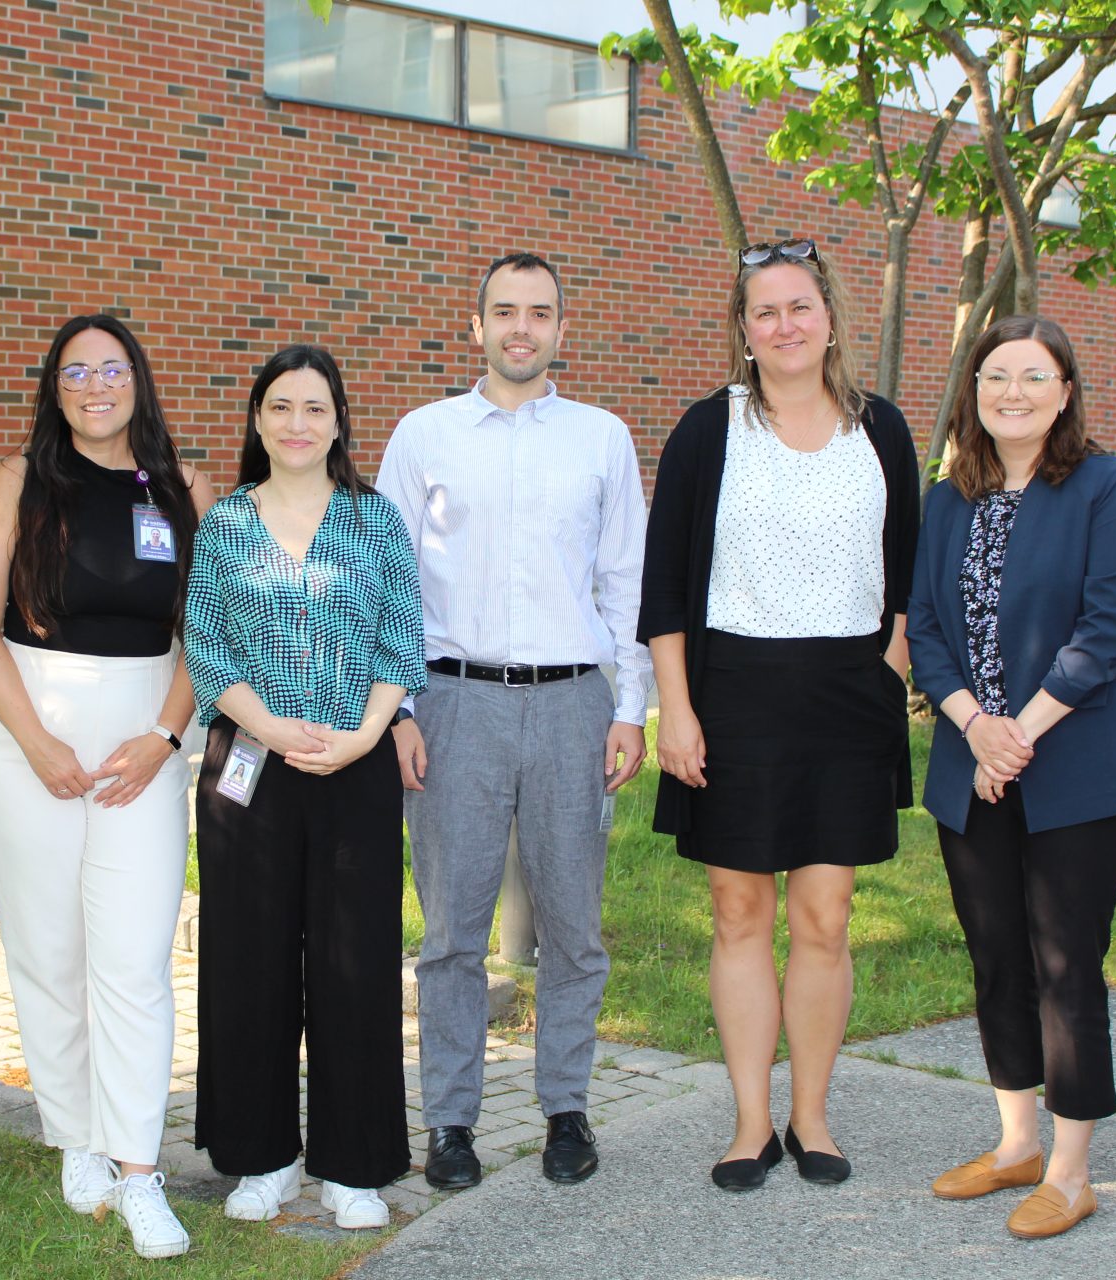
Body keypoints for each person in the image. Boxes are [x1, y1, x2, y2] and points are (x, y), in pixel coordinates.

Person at [638, 237, 919, 1191]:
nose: (785, 325)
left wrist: (889, 669)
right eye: (766, 312)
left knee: (827, 912)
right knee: (739, 906)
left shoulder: (880, 429)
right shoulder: (707, 431)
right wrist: (674, 711)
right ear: (744, 332)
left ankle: (813, 1117)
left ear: (830, 317)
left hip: (846, 700)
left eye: (800, 306)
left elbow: (906, 575)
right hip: (735, 697)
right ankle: (751, 1123)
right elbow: (665, 588)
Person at [376, 251, 649, 1190]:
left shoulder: (602, 438)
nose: (521, 328)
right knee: (451, 931)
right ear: (477, 326)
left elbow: (626, 580)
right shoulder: (423, 436)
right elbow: (388, 584)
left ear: (561, 330)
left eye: (539, 312)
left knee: (573, 924)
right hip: (455, 703)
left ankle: (566, 1110)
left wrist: (632, 707)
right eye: (504, 311)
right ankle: (450, 1124)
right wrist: (401, 709)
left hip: (575, 700)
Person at [0, 314, 213, 1258]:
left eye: (111, 369)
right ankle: (75, 1139)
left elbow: (205, 636)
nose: (95, 385)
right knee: (48, 949)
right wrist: (34, 741)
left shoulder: (185, 491)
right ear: (54, 389)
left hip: (143, 735)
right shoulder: (17, 486)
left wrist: (163, 735)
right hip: (29, 728)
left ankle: (139, 1167)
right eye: (75, 372)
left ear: (138, 381)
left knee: (135, 959)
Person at [907, 314, 1116, 1239]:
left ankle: (1071, 1168)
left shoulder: (1104, 485)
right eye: (994, 376)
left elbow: (1105, 632)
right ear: (974, 392)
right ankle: (1016, 1141)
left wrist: (1017, 738)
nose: (1011, 392)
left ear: (1064, 391)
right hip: (971, 762)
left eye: (1032, 376)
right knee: (997, 960)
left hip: (1076, 768)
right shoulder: (949, 500)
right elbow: (927, 630)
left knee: (1065, 965)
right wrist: (977, 730)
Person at [184, 344, 426, 1231]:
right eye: (280, 406)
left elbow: (403, 638)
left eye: (314, 407)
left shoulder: (374, 520)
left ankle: (352, 1165)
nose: (297, 423)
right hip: (251, 766)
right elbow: (206, 645)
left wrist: (363, 736)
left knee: (352, 962)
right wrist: (275, 729)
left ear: (338, 421)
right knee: (250, 960)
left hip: (354, 768)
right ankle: (260, 1159)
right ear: (257, 420)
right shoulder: (227, 524)